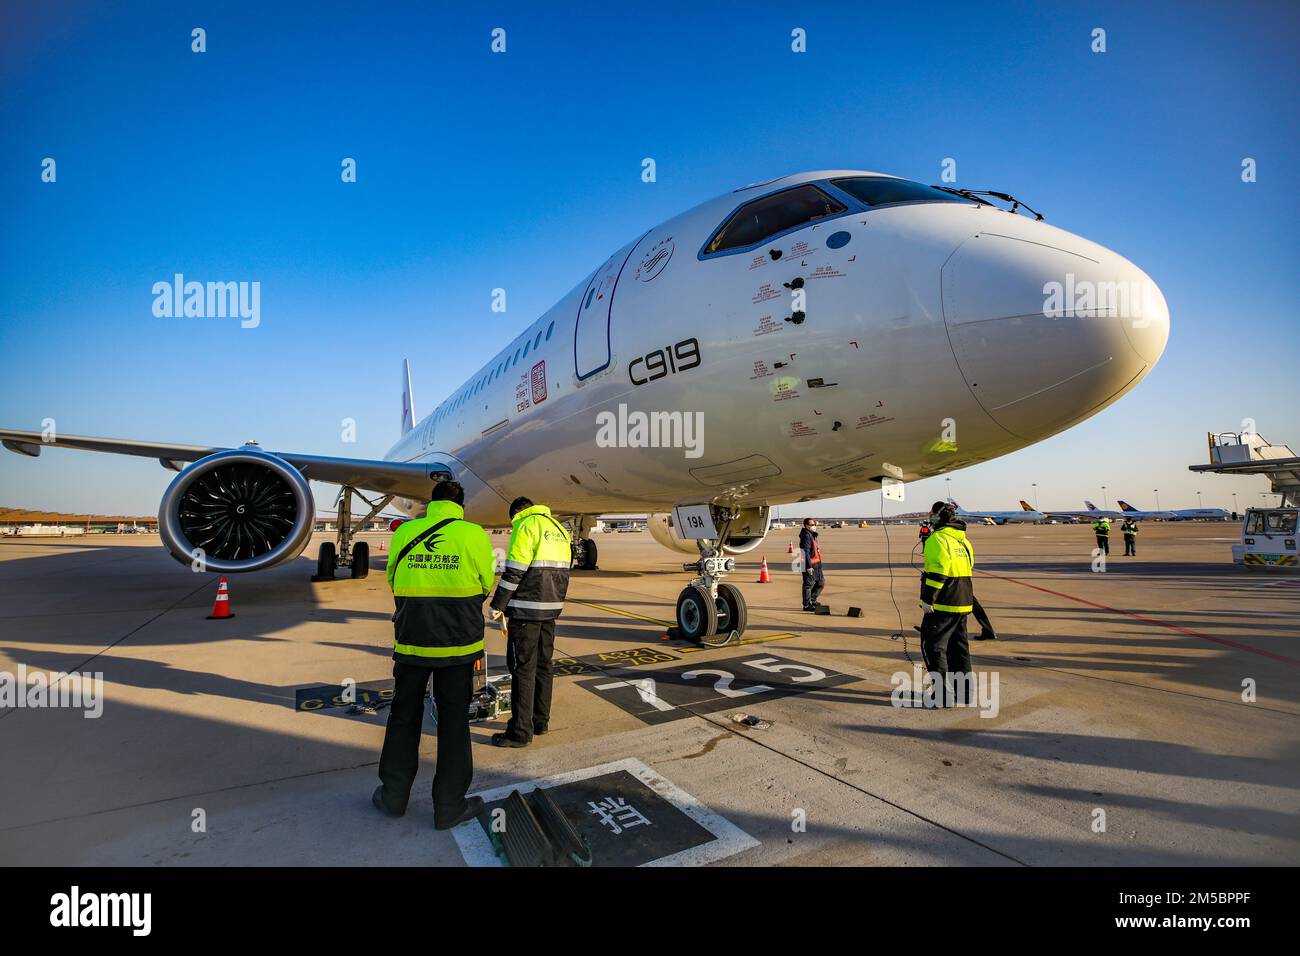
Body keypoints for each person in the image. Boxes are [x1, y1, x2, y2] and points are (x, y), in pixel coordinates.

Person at [374, 480, 496, 829]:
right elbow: (485, 581)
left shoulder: (406, 531)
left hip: (412, 643)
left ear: (432, 502)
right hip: (459, 647)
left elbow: (392, 579)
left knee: (403, 716)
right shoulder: (473, 534)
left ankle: (393, 798)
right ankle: (448, 807)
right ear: (461, 504)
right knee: (454, 722)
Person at [488, 497, 572, 747]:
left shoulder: (526, 525)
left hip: (526, 611)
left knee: (522, 668)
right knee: (544, 665)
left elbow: (515, 570)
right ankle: (540, 721)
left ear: (516, 514)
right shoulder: (558, 528)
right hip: (551, 608)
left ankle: (520, 732)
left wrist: (498, 604)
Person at [919, 501, 975, 707]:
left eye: (931, 513)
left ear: (938, 516)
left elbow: (938, 572)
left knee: (934, 648)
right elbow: (968, 567)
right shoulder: (963, 541)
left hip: (943, 604)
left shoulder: (938, 539)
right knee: (959, 650)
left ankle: (942, 696)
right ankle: (965, 694)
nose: (929, 516)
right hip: (963, 601)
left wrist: (927, 599)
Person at [799, 518, 824, 611]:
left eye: (814, 524)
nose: (814, 526)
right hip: (809, 564)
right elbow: (805, 552)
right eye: (812, 524)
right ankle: (806, 605)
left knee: (821, 583)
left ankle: (812, 600)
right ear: (806, 525)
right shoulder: (806, 535)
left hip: (817, 564)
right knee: (808, 585)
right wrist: (808, 566)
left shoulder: (812, 535)